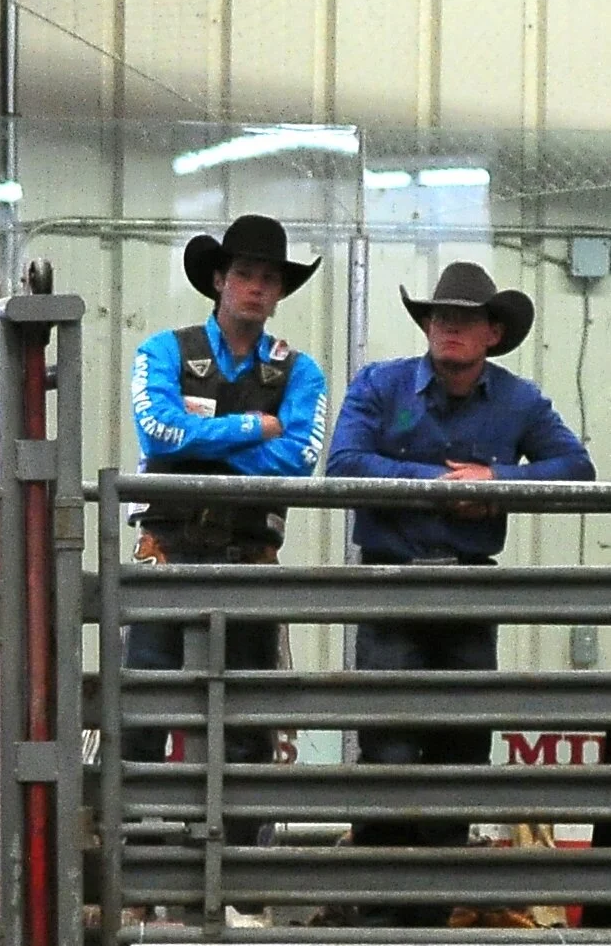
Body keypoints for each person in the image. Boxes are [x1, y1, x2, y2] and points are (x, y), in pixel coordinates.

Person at [328, 263, 594, 884]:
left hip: (469, 585)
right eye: (440, 316)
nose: (449, 327)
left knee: (463, 743)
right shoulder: (380, 384)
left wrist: (499, 483)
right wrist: (439, 487)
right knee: (389, 747)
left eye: (464, 318)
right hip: (393, 581)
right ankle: (381, 903)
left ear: (491, 333)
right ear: (427, 325)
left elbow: (576, 469)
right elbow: (341, 463)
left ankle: (433, 903)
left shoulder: (517, 400)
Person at [122, 214, 329, 847]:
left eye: (269, 279)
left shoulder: (302, 371)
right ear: (219, 280)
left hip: (248, 555)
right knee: (145, 708)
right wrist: (249, 428)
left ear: (280, 292)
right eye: (244, 274)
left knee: (242, 717)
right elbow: (155, 431)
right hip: (170, 551)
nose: (256, 288)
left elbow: (298, 459)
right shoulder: (164, 349)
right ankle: (136, 859)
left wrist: (199, 447)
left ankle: (235, 862)